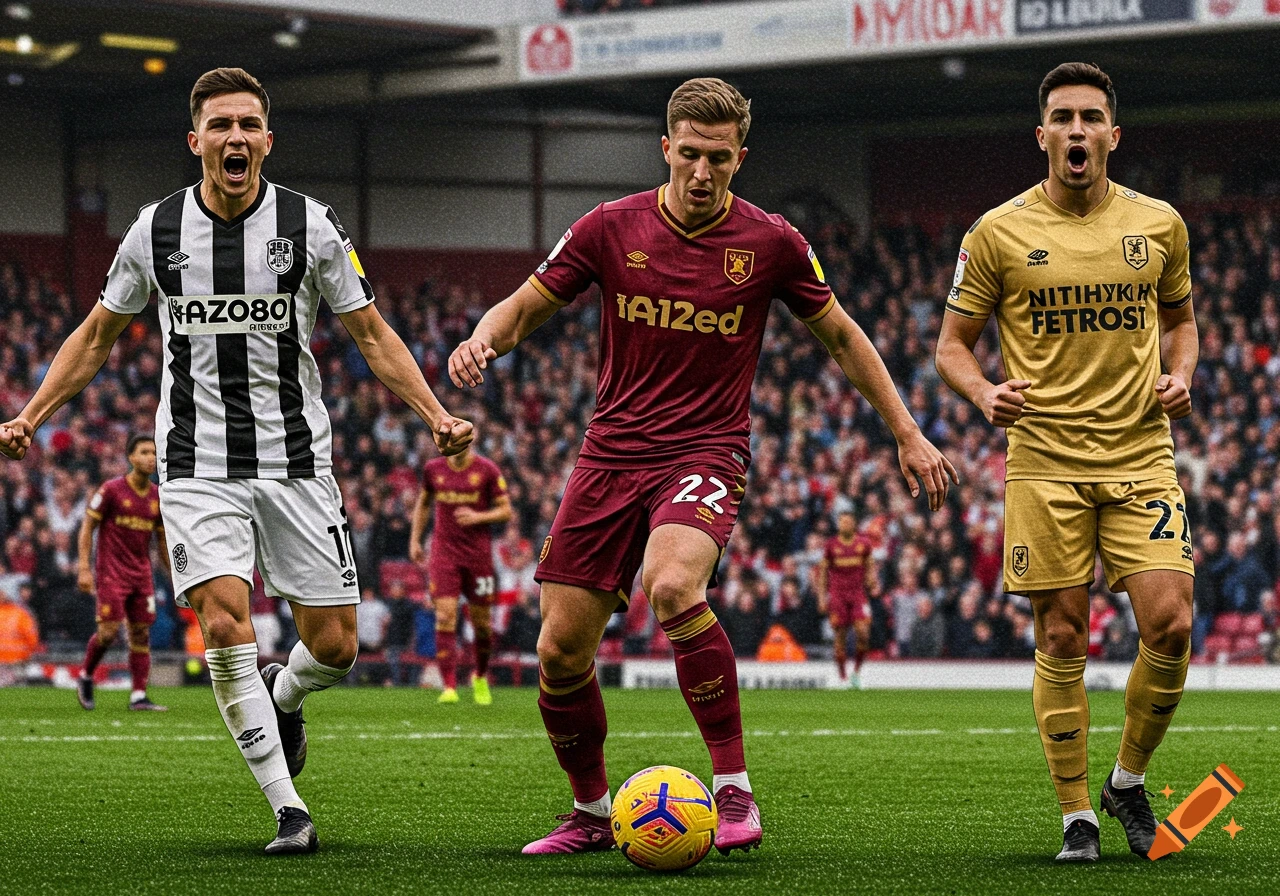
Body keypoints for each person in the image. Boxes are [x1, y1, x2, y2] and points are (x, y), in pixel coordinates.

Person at [449, 76, 956, 857]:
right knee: (558, 651)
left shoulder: (773, 243)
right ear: (665, 148)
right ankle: (589, 811)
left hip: (705, 449)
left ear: (739, 158)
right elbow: (525, 305)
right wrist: (483, 338)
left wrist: (907, 431)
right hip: (609, 454)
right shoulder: (608, 228)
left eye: (718, 158)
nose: (700, 171)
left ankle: (733, 792)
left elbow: (846, 338)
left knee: (675, 584)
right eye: (687, 154)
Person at [0, 67, 472, 855]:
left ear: (267, 141)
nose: (235, 139)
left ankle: (285, 700)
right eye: (220, 126)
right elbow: (93, 338)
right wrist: (30, 413)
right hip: (196, 462)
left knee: (335, 648)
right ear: (196, 142)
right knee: (224, 620)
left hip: (296, 462)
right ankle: (289, 810)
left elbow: (373, 335)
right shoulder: (154, 232)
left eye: (249, 125)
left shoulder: (311, 225)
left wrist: (435, 414)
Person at [935, 62, 1198, 862]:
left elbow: (1183, 322)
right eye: (1062, 117)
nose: (1077, 130)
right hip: (1044, 463)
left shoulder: (1160, 224)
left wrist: (1181, 373)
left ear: (1113, 135)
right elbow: (951, 347)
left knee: (1172, 623)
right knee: (1062, 633)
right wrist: (982, 392)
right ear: (1041, 134)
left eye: (1090, 117)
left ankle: (1127, 778)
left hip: (1141, 454)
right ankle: (1078, 816)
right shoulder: (997, 233)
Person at [408, 443, 512, 705]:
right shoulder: (433, 469)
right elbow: (423, 504)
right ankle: (450, 686)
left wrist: (478, 517)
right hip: (444, 555)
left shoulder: (487, 470)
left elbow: (506, 510)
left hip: (479, 558)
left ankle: (479, 675)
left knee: (482, 624)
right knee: (444, 616)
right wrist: (415, 540)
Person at [75, 434, 170, 711]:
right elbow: (87, 528)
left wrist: (175, 576)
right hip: (111, 573)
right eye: (143, 452)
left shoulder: (156, 497)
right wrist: (84, 567)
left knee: (140, 633)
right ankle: (85, 674)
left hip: (142, 575)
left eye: (153, 453)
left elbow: (162, 541)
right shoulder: (111, 490)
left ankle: (138, 695)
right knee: (108, 632)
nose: (150, 458)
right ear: (130, 457)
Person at [816, 511, 877, 684]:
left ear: (854, 524)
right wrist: (822, 597)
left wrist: (872, 581)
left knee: (863, 633)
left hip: (858, 595)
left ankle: (856, 672)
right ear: (838, 525)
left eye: (849, 522)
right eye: (842, 522)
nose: (845, 525)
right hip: (838, 596)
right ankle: (842, 676)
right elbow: (822, 574)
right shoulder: (831, 545)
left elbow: (870, 565)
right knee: (840, 635)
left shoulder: (863, 544)